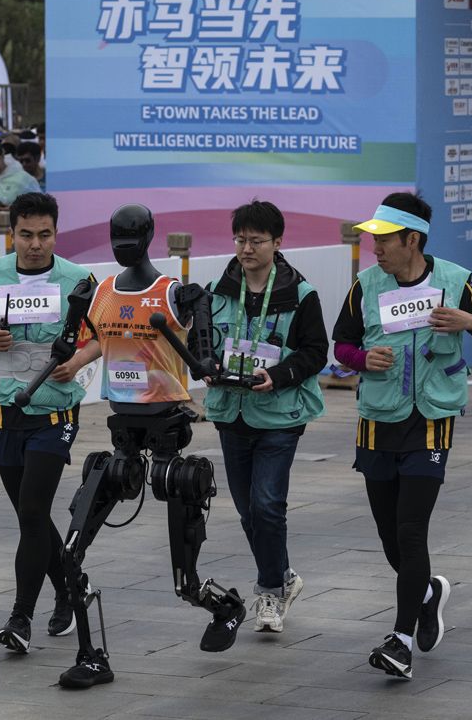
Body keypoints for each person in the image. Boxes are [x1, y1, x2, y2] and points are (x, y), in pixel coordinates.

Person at [332, 192, 472, 680]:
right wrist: (363, 359)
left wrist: (471, 321)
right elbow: (341, 344)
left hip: (431, 421)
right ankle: (427, 593)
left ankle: (400, 641)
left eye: (384, 241)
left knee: (411, 531)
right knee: (391, 538)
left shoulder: (454, 281)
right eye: (374, 240)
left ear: (412, 240)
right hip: (377, 420)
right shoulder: (366, 285)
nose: (375, 249)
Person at [0, 191, 100, 654]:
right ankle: (71, 585)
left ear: (56, 233)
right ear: (11, 234)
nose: (35, 244)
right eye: (26, 235)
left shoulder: (79, 280)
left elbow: (104, 337)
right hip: (6, 408)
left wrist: (77, 362)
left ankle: (20, 617)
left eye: (44, 235)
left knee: (34, 510)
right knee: (29, 514)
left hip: (56, 411)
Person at [202, 200, 328, 634]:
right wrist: (207, 366)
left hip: (280, 414)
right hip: (231, 411)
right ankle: (283, 575)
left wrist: (277, 376)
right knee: (247, 511)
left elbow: (316, 352)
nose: (246, 249)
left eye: (256, 241)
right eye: (240, 240)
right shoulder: (217, 290)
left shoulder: (301, 294)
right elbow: (203, 343)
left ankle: (270, 592)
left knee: (267, 504)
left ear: (278, 242)